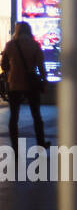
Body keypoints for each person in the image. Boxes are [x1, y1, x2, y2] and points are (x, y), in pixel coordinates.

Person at [2, 20, 49, 150]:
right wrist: (44, 82)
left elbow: (4, 66)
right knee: (36, 115)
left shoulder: (10, 45)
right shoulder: (34, 45)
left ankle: (15, 148)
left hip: (14, 85)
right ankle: (41, 143)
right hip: (31, 85)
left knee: (14, 117)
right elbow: (41, 66)